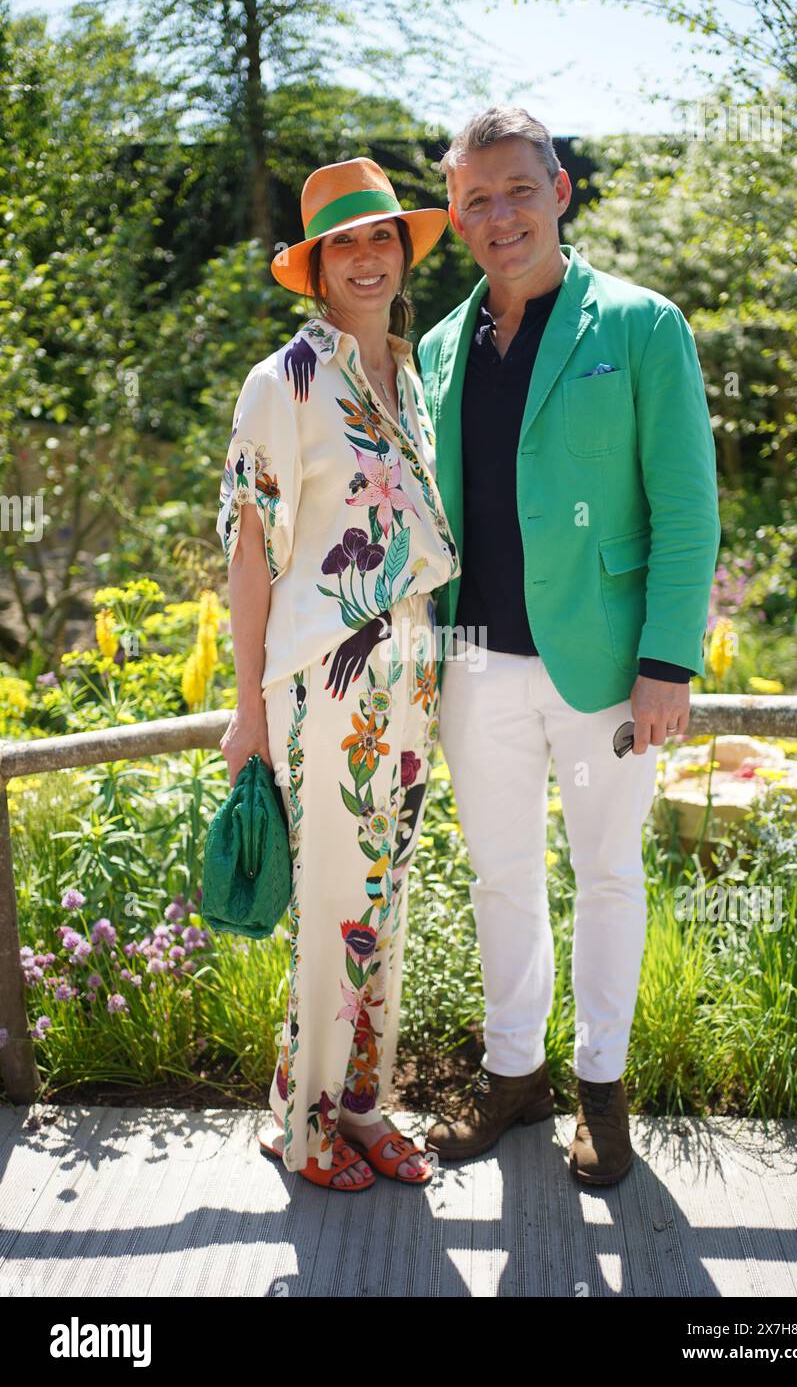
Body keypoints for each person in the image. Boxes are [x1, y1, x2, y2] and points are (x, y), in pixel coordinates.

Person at [416, 107, 721, 1185]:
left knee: (605, 872)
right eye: (478, 198)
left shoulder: (642, 326)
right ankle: (514, 1076)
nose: (502, 216)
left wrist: (667, 662)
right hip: (475, 663)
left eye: (519, 189)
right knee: (500, 875)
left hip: (602, 673)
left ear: (561, 191)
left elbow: (686, 506)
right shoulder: (440, 347)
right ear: (457, 215)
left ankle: (603, 1087)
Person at [216, 157, 460, 1191]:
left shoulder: (409, 378)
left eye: (382, 238)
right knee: (329, 906)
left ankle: (363, 1102)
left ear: (404, 256)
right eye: (344, 244)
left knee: (385, 900)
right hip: (323, 679)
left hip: (411, 671)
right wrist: (245, 715)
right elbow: (248, 549)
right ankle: (300, 1117)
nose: (366, 257)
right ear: (315, 269)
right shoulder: (283, 381)